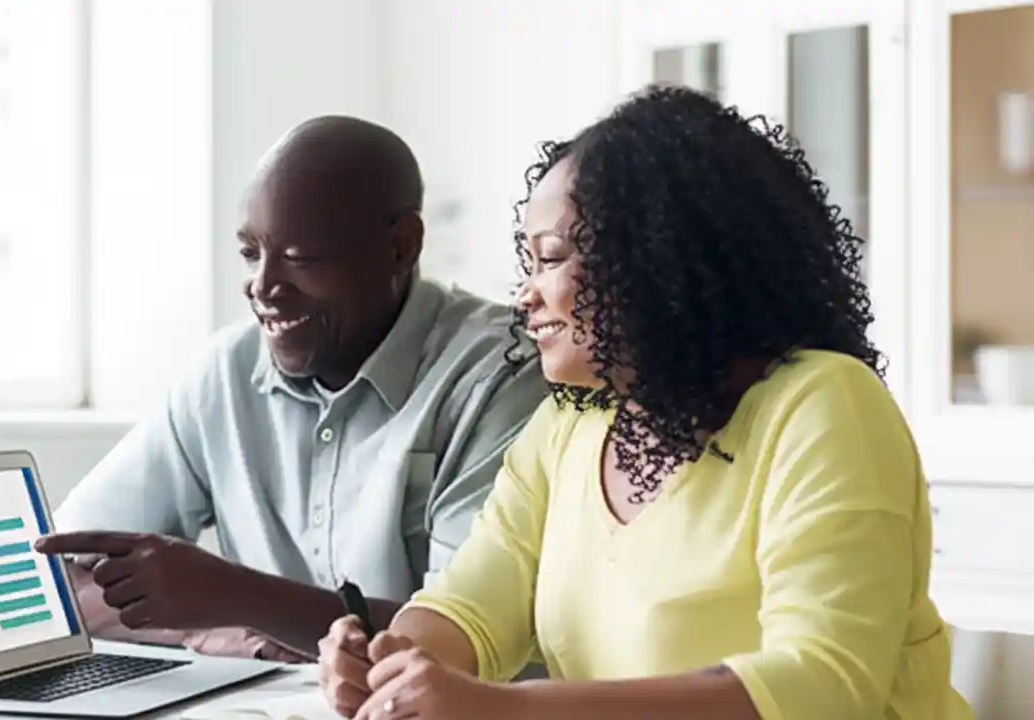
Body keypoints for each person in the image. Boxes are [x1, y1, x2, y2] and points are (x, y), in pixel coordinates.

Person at [318, 86, 975, 719]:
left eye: (550, 259)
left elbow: (819, 687)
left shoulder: (822, 405)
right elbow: (471, 606)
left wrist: (506, 709)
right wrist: (399, 662)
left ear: (653, 259)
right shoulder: (569, 427)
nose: (527, 294)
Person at [35, 116, 546, 661]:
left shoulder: (503, 375)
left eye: (301, 259)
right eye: (252, 253)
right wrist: (214, 630)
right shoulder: (224, 376)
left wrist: (232, 595)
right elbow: (63, 574)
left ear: (401, 246)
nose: (263, 288)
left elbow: (465, 635)